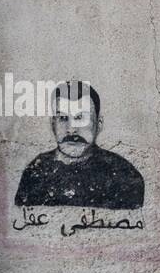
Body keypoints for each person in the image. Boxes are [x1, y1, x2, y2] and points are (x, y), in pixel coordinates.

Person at [13, 81, 144, 209]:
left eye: (81, 117)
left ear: (99, 124)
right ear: (52, 124)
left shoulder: (124, 176)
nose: (71, 129)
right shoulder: (36, 172)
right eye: (63, 118)